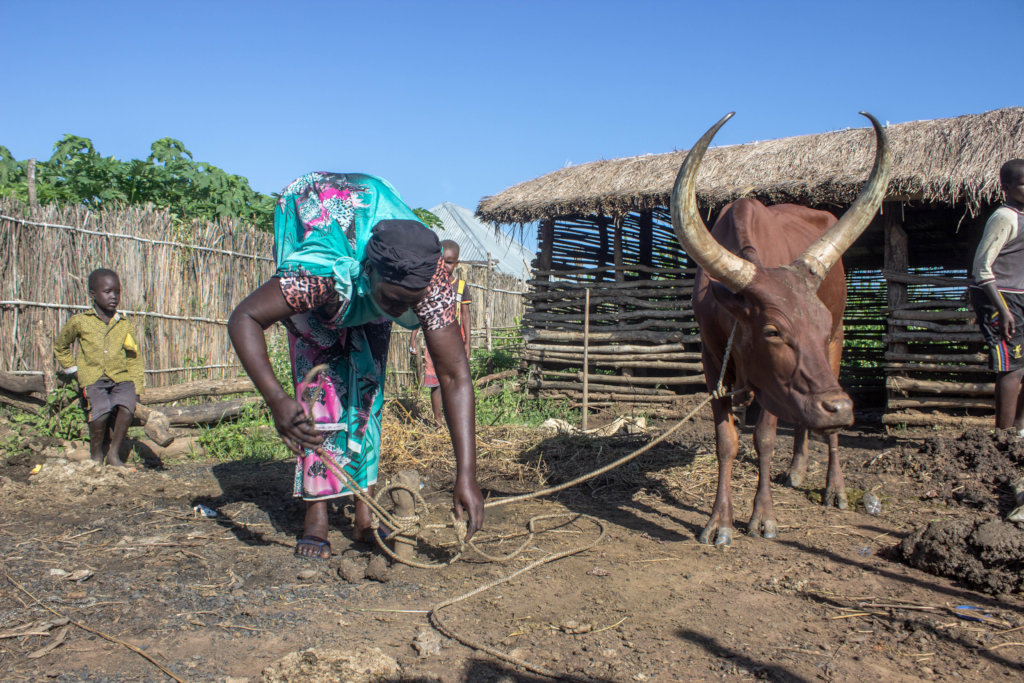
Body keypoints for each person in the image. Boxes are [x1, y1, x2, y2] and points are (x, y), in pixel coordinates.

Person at [228, 172, 484, 559]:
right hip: (315, 221)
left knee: (367, 385)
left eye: (406, 304)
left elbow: (454, 376)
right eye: (391, 301)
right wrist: (277, 400)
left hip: (371, 264)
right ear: (368, 271)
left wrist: (467, 473)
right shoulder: (316, 274)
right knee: (319, 386)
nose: (398, 311)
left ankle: (364, 507)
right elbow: (243, 318)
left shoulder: (430, 280)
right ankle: (316, 515)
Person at [53, 268, 144, 467]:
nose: (114, 297)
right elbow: (61, 347)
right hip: (93, 378)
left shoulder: (123, 324)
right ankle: (96, 454)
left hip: (120, 378)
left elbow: (133, 356)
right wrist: (74, 371)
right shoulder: (80, 322)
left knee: (127, 407)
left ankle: (113, 453)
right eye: (108, 291)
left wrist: (137, 386)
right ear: (93, 294)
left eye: (117, 292)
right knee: (101, 411)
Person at [970, 158, 1024, 432]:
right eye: (1022, 184)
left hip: (1020, 296)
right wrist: (1002, 309)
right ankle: (1003, 438)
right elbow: (981, 266)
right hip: (1001, 298)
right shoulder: (1004, 218)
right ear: (1005, 187)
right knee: (1012, 366)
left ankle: (1019, 431)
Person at [409, 240, 472, 427]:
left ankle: (456, 421)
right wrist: (413, 338)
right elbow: (421, 313)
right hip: (433, 340)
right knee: (435, 381)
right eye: (444, 262)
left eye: (451, 262)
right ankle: (438, 422)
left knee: (456, 380)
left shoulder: (460, 287)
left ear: (457, 263)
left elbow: (465, 315)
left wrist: (468, 343)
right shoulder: (429, 286)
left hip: (456, 342)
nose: (447, 266)